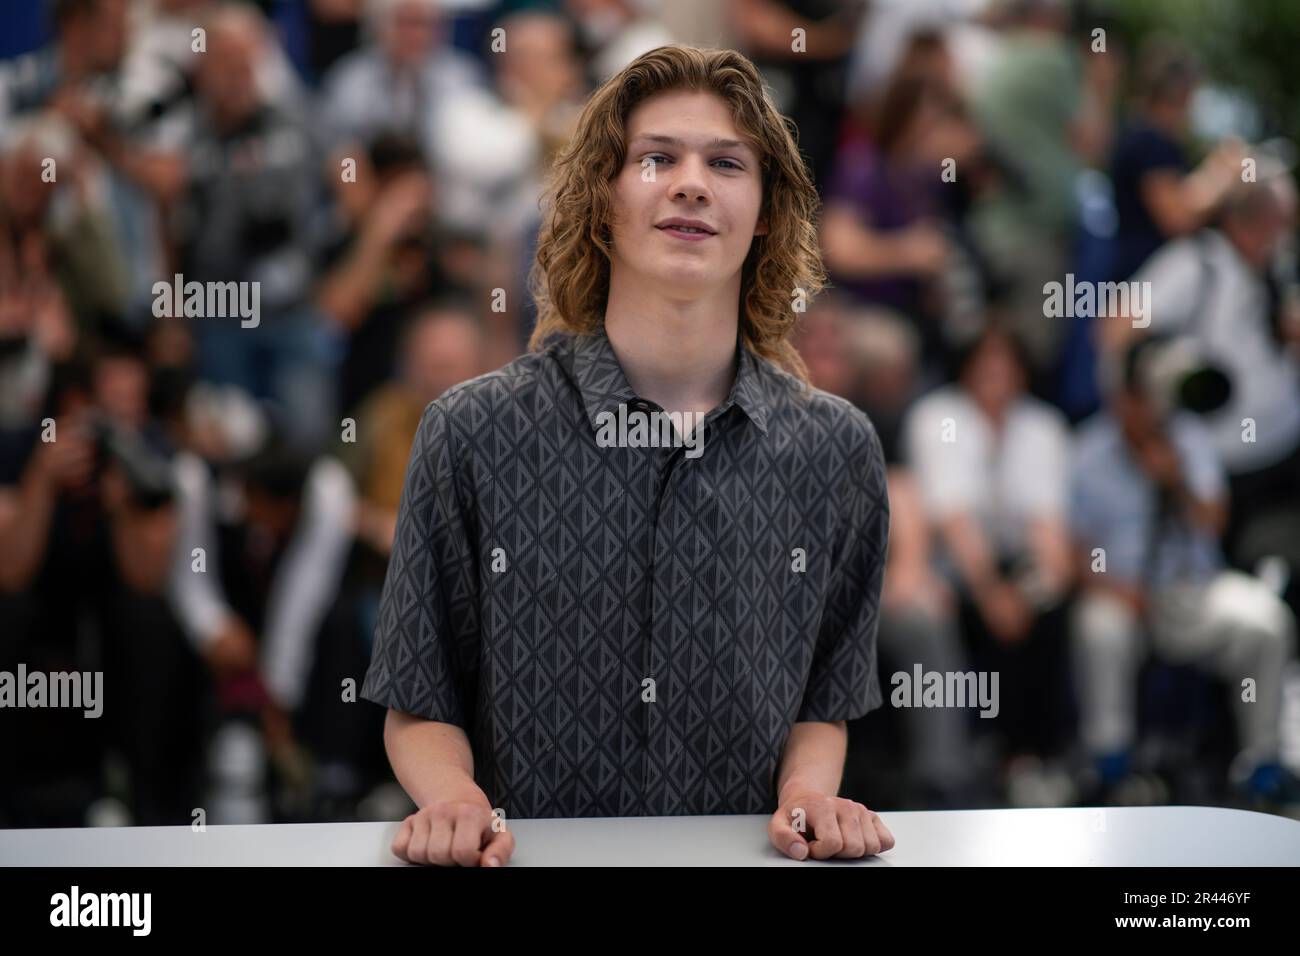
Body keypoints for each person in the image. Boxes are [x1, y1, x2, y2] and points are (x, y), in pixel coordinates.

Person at [361, 44, 894, 866]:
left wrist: (808, 795)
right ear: (601, 199)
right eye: (655, 159)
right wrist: (455, 801)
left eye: (726, 162)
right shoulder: (470, 433)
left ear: (765, 213)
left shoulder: (838, 451)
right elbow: (419, 696)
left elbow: (822, 701)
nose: (691, 182)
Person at [1070, 336, 1298, 809]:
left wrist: (1175, 479)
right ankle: (1109, 761)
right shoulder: (1089, 451)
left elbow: (1214, 521)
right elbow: (1071, 553)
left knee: (1267, 619)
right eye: (1140, 399)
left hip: (1194, 588)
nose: (1150, 409)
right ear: (1123, 397)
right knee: (1099, 627)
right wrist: (1117, 588)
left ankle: (1262, 763)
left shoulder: (1190, 437)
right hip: (1121, 591)